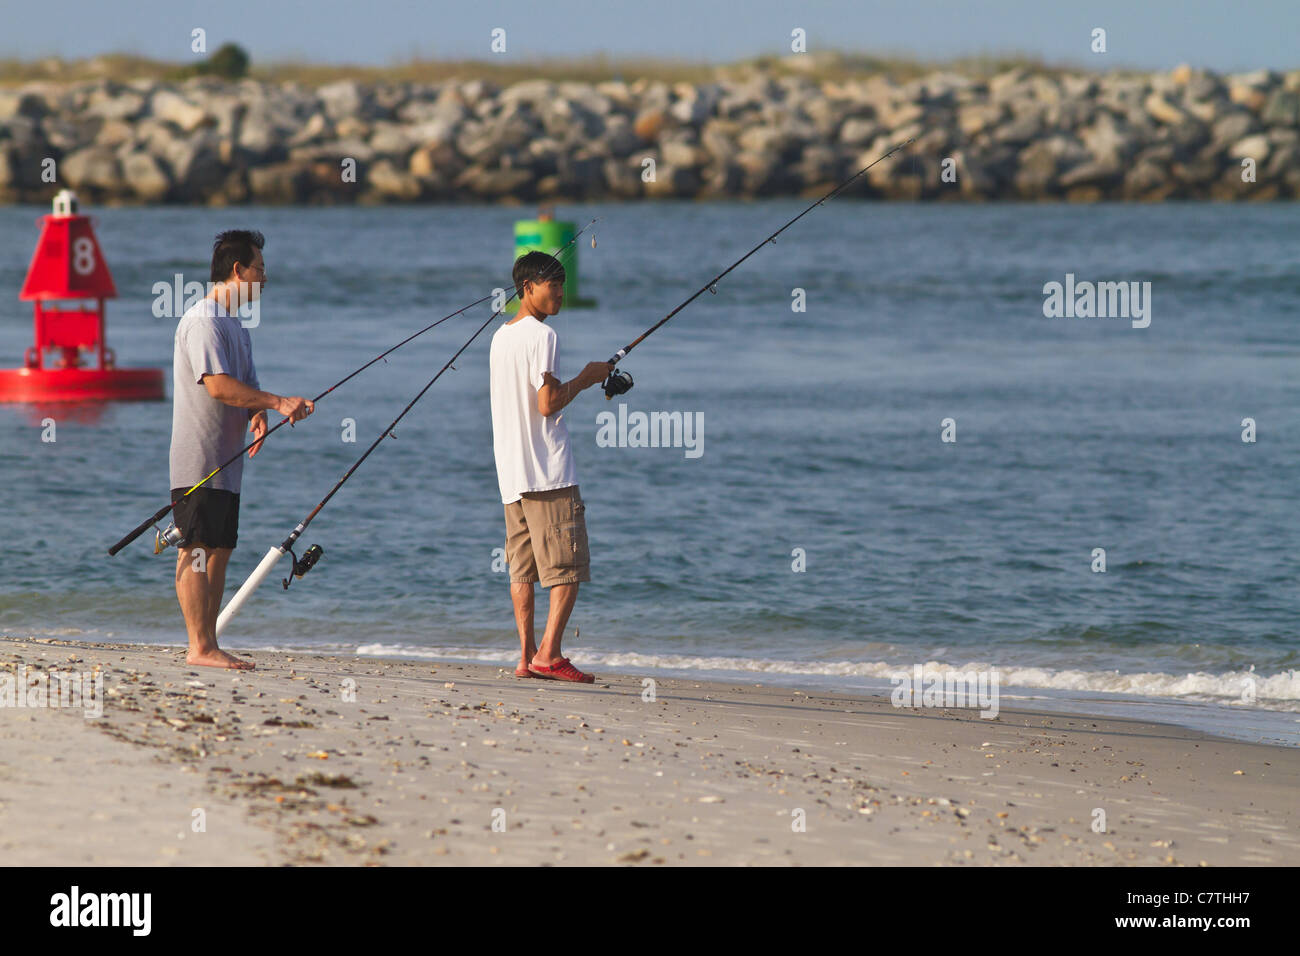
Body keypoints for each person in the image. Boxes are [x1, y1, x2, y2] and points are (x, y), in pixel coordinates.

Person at [170, 229, 313, 669]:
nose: (264, 278)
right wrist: (277, 401)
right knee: (195, 547)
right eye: (260, 269)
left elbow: (243, 387)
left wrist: (259, 415)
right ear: (238, 271)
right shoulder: (203, 320)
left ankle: (208, 642)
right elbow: (218, 387)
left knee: (220, 547)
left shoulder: (236, 326)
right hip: (198, 457)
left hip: (228, 461)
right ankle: (199, 647)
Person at [489, 251, 612, 682]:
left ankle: (524, 658)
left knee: (522, 570)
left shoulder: (500, 336)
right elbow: (547, 404)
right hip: (548, 472)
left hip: (511, 474)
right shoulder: (544, 336)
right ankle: (549, 655)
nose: (559, 293)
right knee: (567, 568)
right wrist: (587, 377)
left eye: (562, 285)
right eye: (551, 286)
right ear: (527, 289)